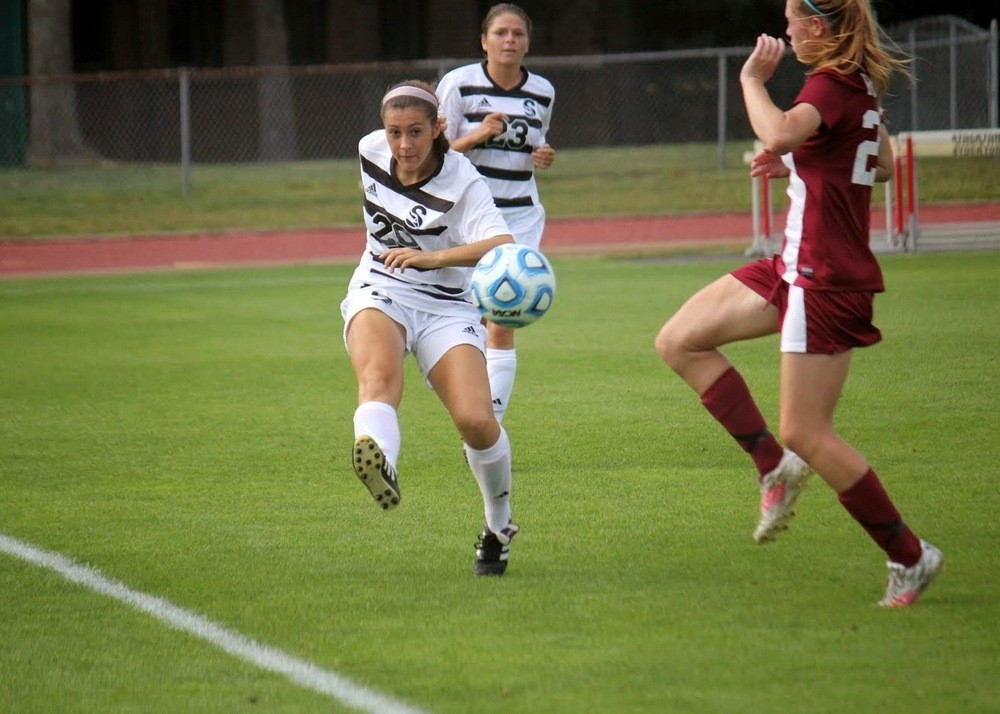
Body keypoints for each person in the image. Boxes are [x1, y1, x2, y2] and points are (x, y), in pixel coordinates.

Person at [654, 0, 943, 606]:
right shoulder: (855, 84)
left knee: (807, 432)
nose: (785, 29)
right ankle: (771, 465)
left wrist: (753, 83)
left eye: (792, 19)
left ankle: (910, 556)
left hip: (824, 277)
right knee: (679, 340)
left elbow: (781, 126)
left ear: (816, 27)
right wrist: (795, 157)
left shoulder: (831, 82)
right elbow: (881, 165)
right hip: (796, 264)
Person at [341, 79, 520, 576]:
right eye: (394, 132)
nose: (403, 145)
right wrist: (407, 263)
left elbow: (502, 242)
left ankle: (499, 525)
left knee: (477, 422)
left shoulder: (462, 179)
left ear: (439, 128)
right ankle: (383, 466)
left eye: (416, 132)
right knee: (377, 378)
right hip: (381, 287)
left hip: (446, 304)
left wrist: (432, 257)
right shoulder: (368, 152)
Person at [435, 3, 556, 425]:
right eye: (501, 33)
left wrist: (542, 155)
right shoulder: (458, 84)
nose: (510, 41)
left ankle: (490, 422)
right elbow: (435, 152)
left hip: (520, 216)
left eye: (518, 34)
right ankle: (472, 408)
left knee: (501, 318)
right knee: (465, 320)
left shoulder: (542, 90)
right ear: (484, 41)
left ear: (527, 42)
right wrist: (480, 133)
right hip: (468, 219)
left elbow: (532, 145)